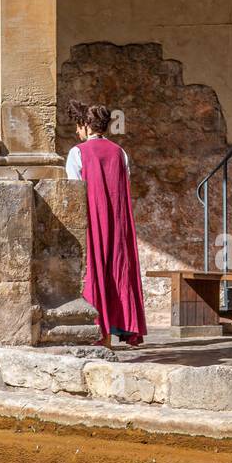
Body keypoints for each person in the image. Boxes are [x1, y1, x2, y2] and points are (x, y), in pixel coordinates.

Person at [66, 100, 147, 348]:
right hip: (118, 220)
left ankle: (100, 334)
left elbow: (73, 189)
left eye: (79, 126)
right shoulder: (120, 152)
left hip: (93, 218)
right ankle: (115, 330)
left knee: (95, 270)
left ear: (87, 126)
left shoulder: (77, 152)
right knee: (116, 270)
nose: (77, 132)